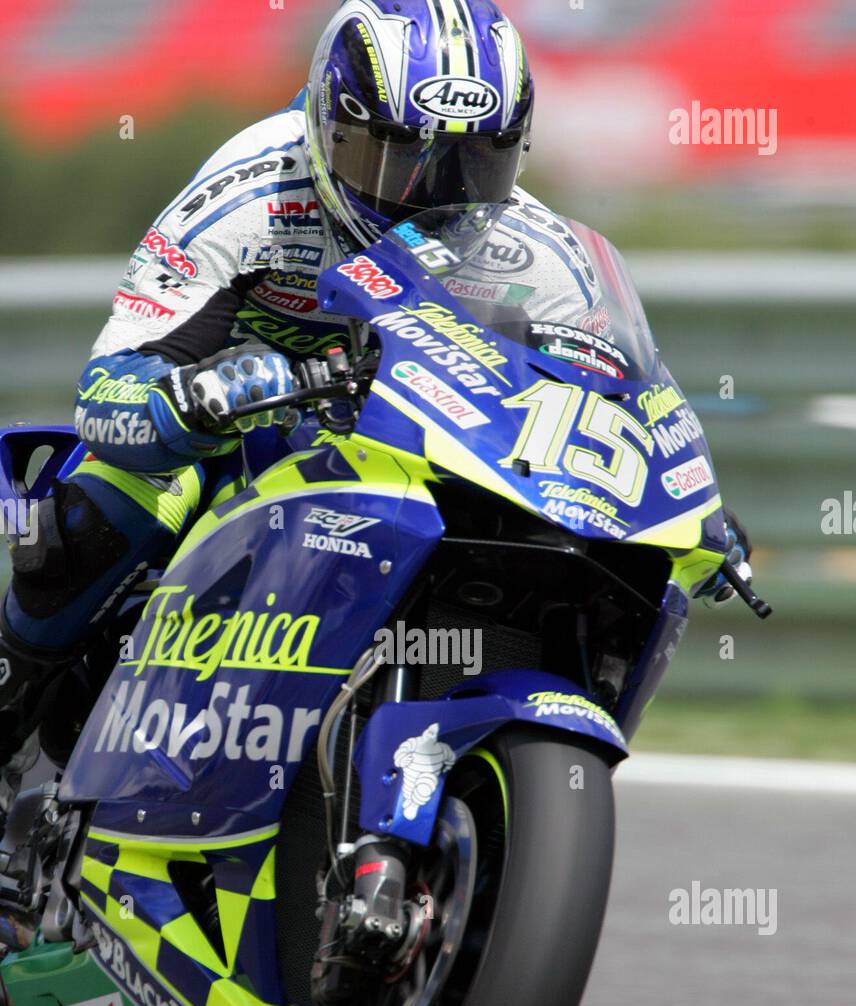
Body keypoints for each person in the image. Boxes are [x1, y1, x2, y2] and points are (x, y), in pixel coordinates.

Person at [0, 0, 750, 776]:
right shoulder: (249, 197)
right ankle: (9, 711)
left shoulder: (541, 254)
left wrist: (678, 494)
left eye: (472, 165)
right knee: (91, 524)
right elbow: (110, 385)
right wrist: (187, 399)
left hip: (422, 455)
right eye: (394, 158)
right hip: (238, 434)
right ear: (328, 126)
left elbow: (613, 391)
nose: (429, 194)